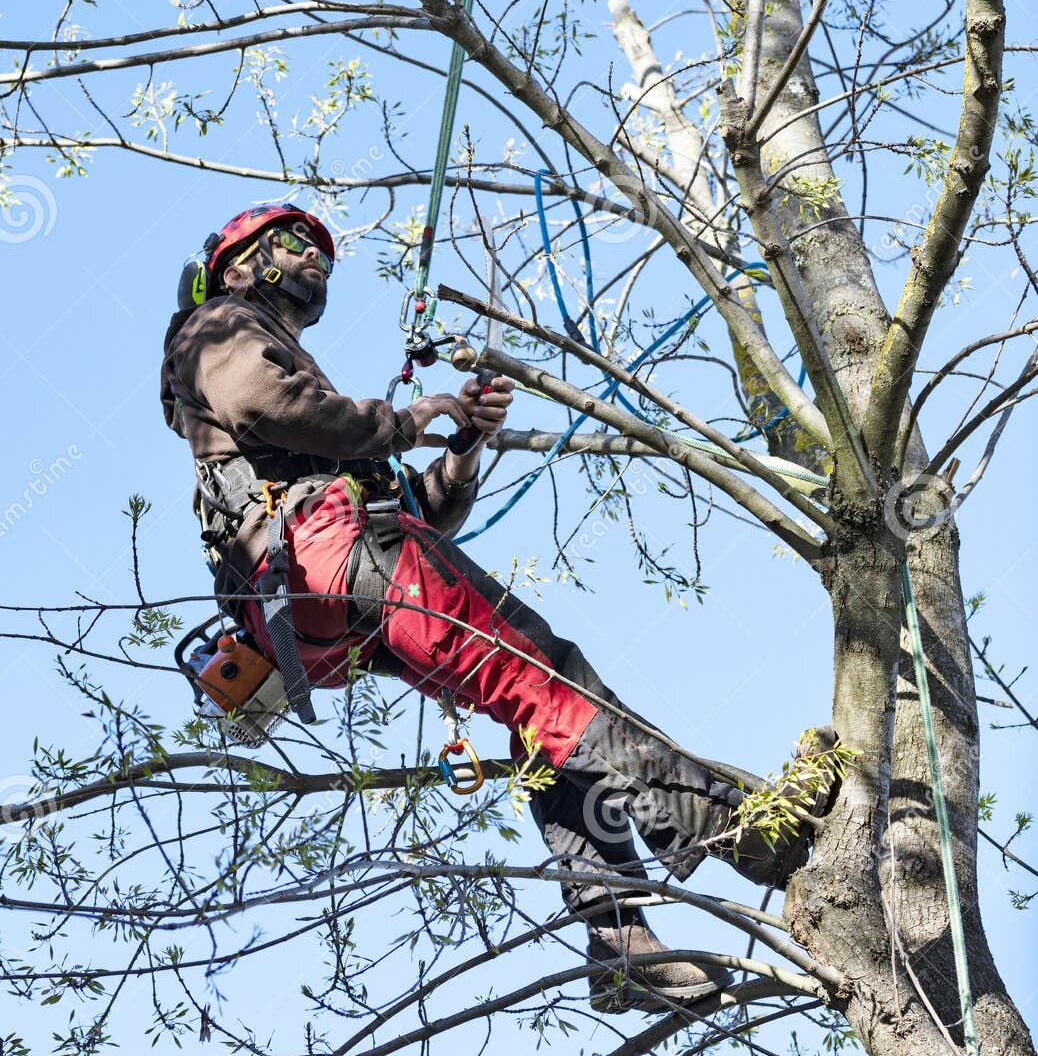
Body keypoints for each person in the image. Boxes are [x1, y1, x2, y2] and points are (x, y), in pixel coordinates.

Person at [160, 201, 835, 1013]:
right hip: (324, 557)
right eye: (297, 243)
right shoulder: (216, 329)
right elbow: (277, 408)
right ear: (240, 267)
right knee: (547, 677)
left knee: (533, 712)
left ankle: (620, 941)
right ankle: (746, 832)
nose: (317, 258)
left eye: (324, 253)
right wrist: (403, 421)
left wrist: (461, 449)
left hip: (329, 591)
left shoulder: (283, 401)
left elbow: (415, 510)